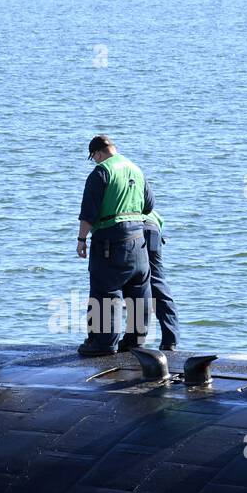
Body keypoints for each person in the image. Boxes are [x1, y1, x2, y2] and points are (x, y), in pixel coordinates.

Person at [75, 135, 151, 357]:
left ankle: (103, 343)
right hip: (139, 239)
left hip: (110, 240)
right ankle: (136, 340)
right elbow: (149, 205)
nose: (95, 161)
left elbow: (88, 212)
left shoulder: (101, 172)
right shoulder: (136, 169)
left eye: (94, 158)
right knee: (139, 290)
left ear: (97, 153)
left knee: (105, 291)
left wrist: (81, 240)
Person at [140, 208, 179, 351]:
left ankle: (135, 340)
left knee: (134, 283)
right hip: (153, 228)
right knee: (158, 283)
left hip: (133, 231)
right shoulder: (143, 199)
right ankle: (170, 340)